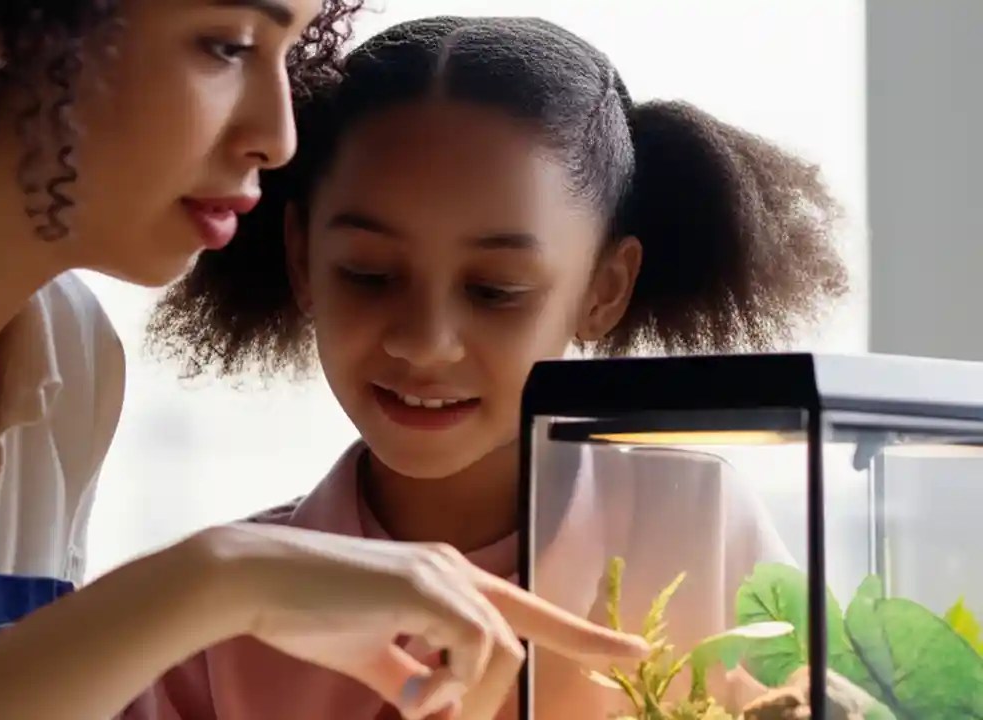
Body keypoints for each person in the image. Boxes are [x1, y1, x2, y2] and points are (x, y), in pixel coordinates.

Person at [0, 4, 652, 720]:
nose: (279, 135)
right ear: (16, 20)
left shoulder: (66, 354)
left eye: (291, 52)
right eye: (228, 44)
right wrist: (216, 584)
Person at [135, 14, 849, 720]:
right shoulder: (222, 611)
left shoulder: (695, 522)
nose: (425, 343)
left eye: (495, 291)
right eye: (369, 274)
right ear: (302, 260)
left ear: (604, 289)